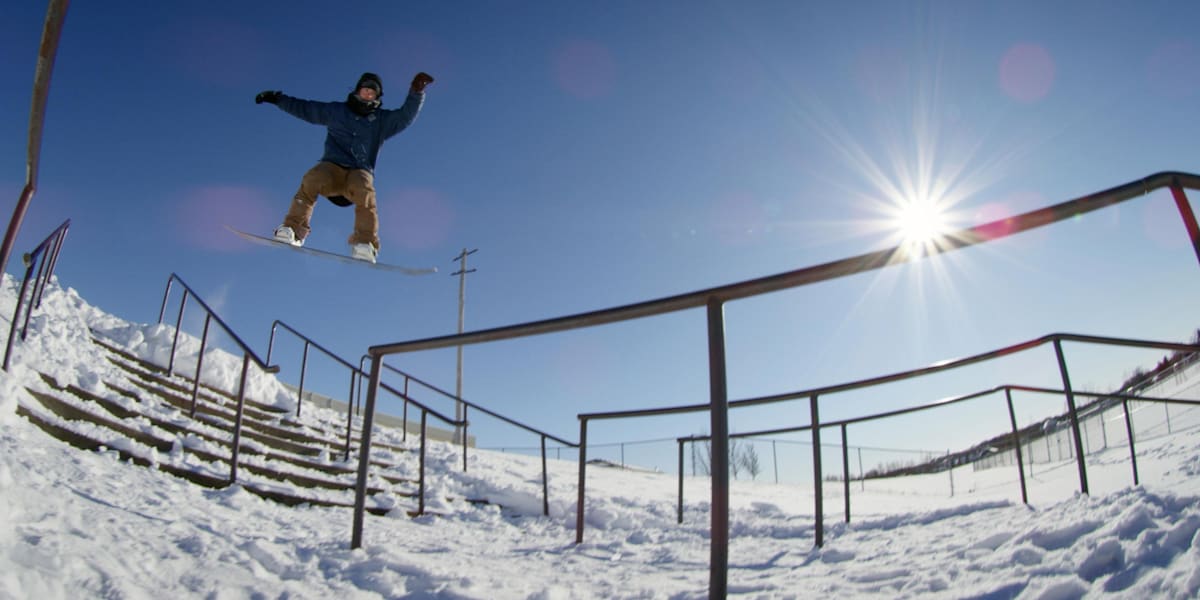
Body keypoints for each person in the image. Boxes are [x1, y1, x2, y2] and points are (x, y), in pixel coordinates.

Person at [255, 71, 433, 263]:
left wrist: (416, 92)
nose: (367, 95)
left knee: (364, 188)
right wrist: (277, 99)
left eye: (372, 93)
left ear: (377, 97)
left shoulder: (382, 121)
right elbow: (305, 108)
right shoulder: (337, 111)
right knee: (312, 178)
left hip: (359, 171)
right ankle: (294, 230)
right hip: (332, 169)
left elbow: (405, 116)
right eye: (365, 90)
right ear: (357, 91)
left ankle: (365, 243)